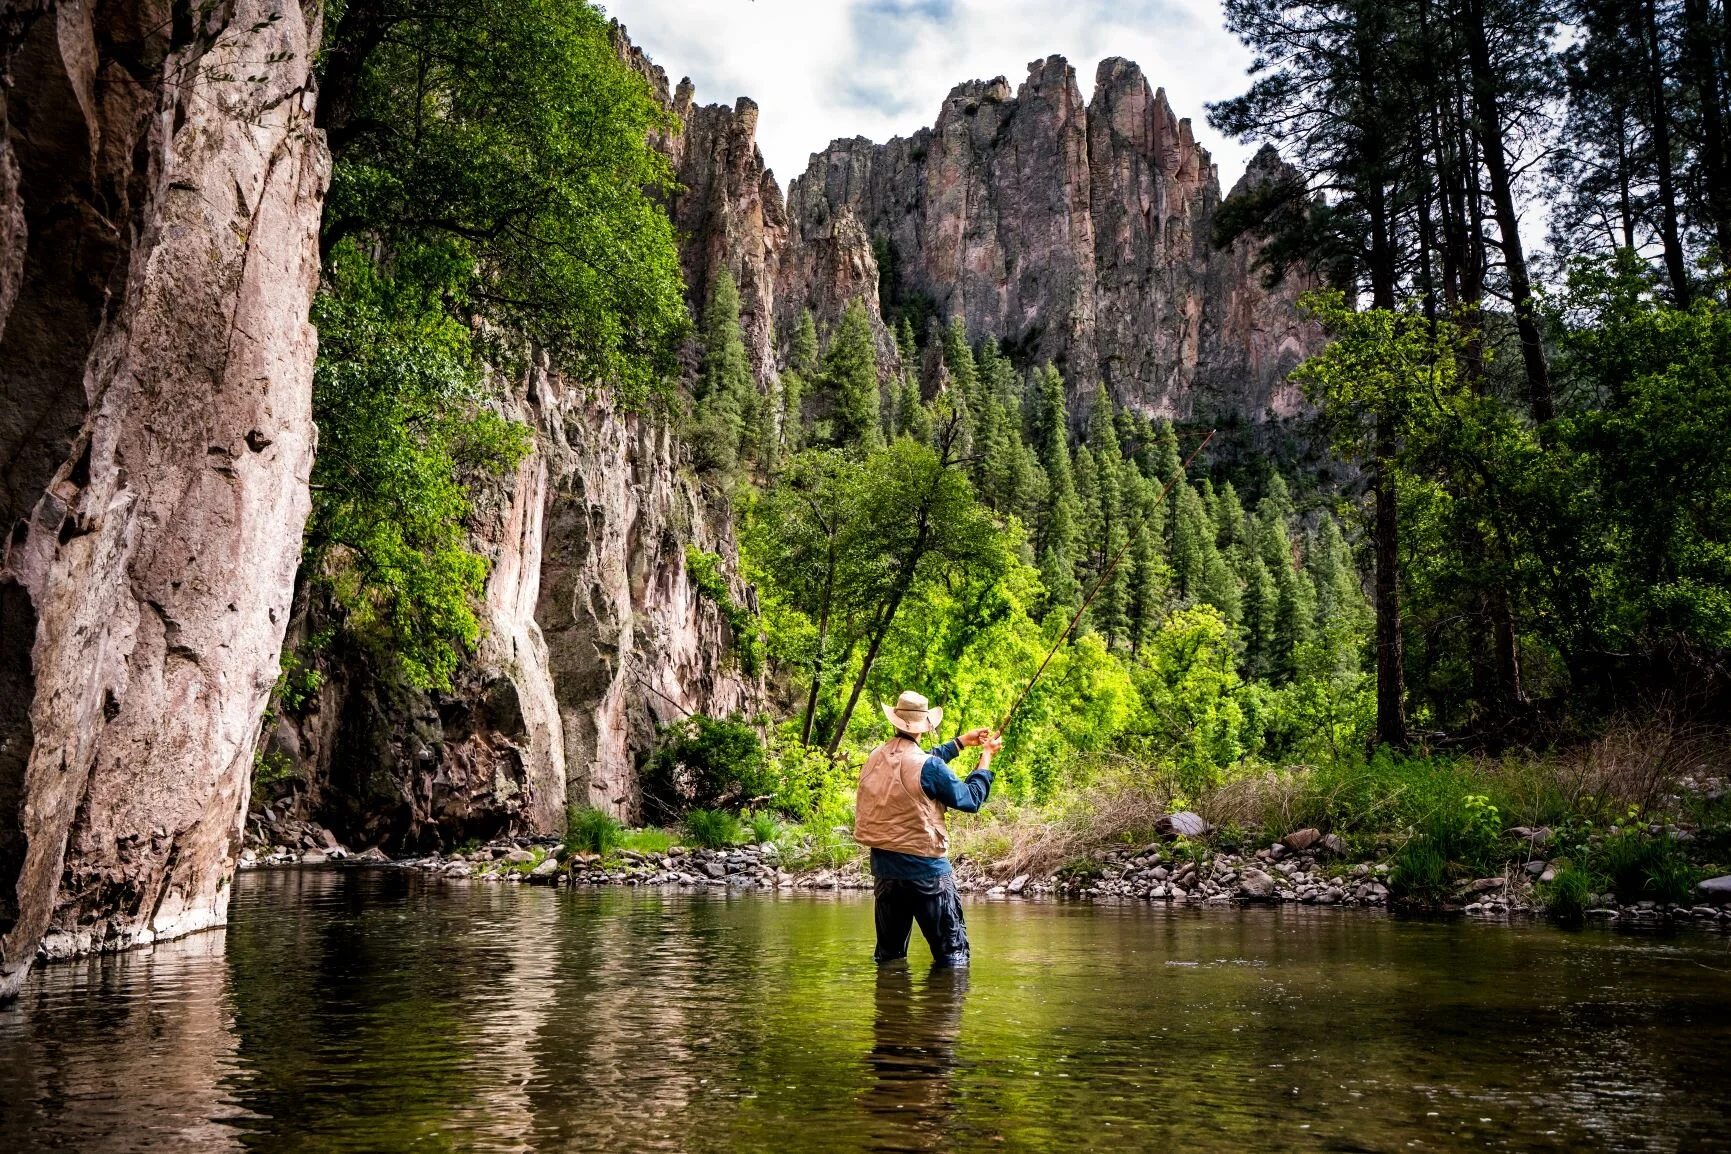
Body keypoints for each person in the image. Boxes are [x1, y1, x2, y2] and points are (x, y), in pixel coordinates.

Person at [853, 690, 1002, 967]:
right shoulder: (928, 766)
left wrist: (959, 744)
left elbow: (914, 762)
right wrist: (986, 757)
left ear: (896, 720)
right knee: (953, 959)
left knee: (890, 959)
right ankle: (942, 1009)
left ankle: (891, 1007)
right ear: (925, 726)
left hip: (886, 875)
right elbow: (970, 799)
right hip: (928, 876)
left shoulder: (875, 757)